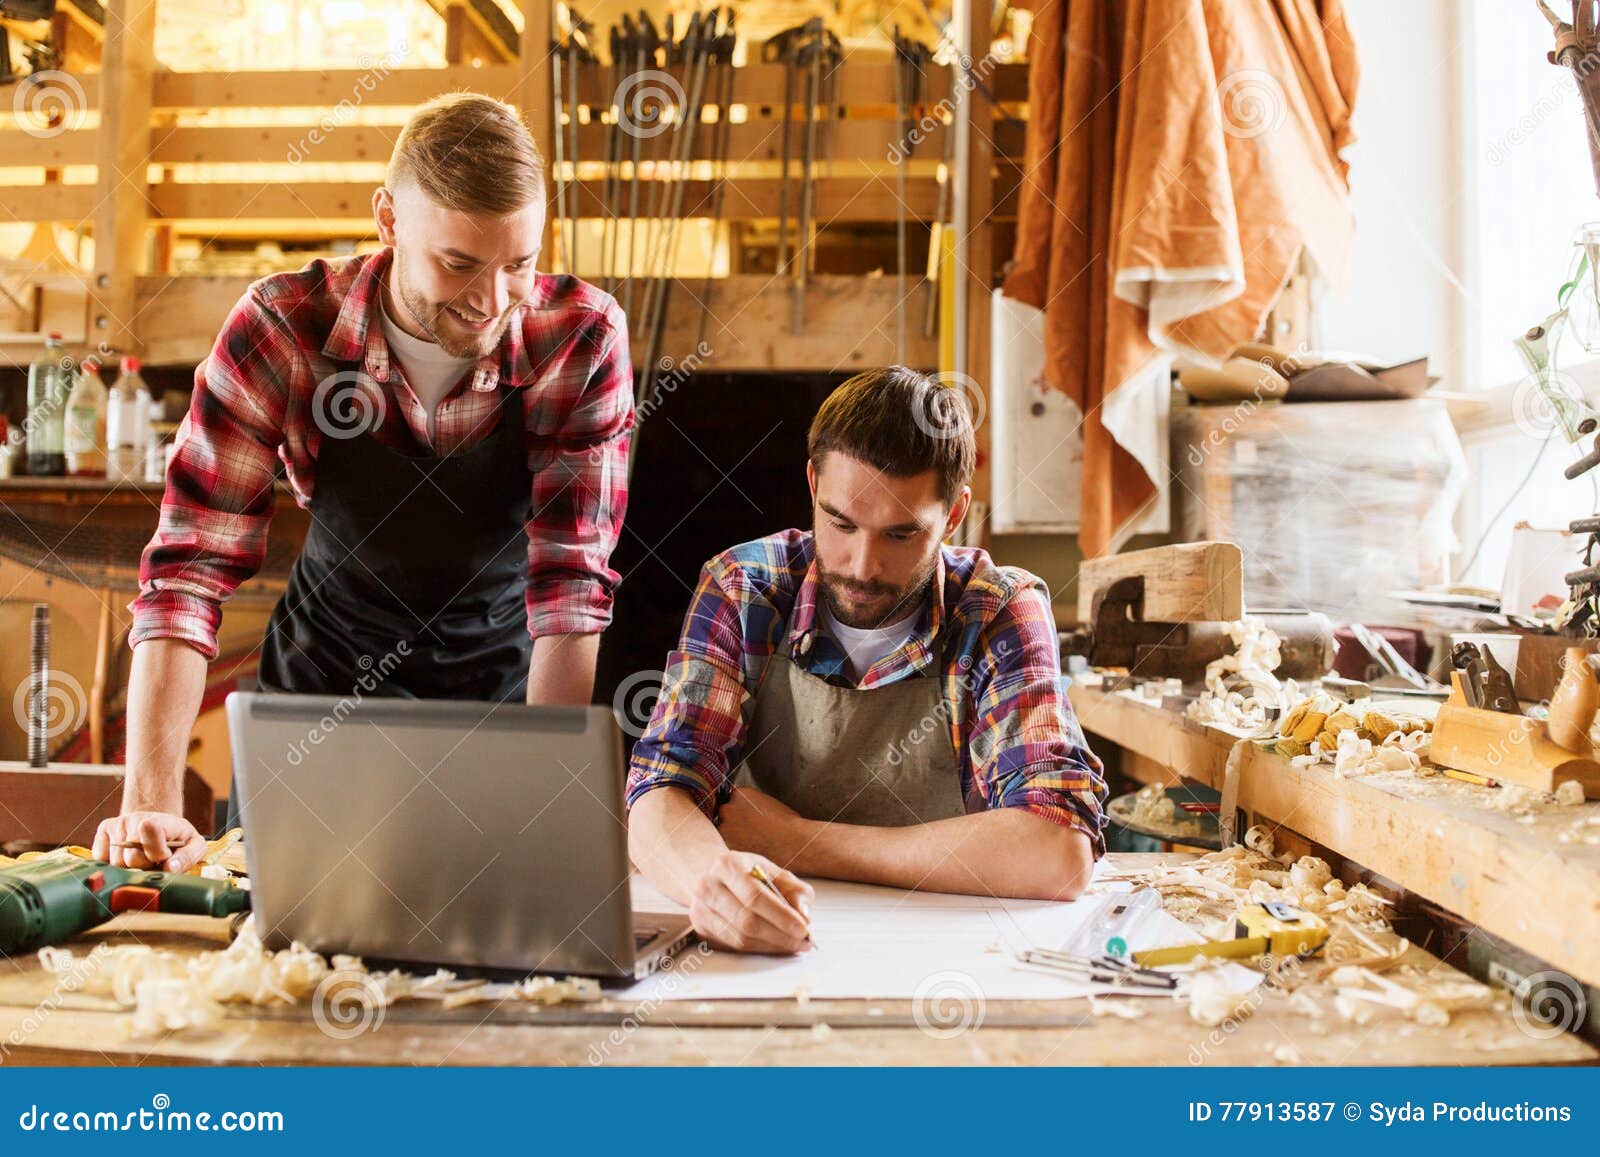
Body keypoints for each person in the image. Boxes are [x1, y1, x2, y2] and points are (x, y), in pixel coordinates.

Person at [94, 93, 632, 872]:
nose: (490, 302)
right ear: (388, 219)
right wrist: (149, 797)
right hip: (319, 693)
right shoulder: (283, 327)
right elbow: (189, 569)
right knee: (280, 951)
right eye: (458, 264)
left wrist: (537, 794)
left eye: (518, 264)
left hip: (500, 692)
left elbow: (571, 585)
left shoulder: (579, 337)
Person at [626, 366, 1107, 954]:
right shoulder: (744, 588)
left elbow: (1057, 853)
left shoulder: (998, 612)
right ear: (812, 484)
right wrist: (710, 883)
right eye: (841, 523)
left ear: (954, 513)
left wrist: (802, 841)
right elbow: (660, 789)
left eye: (900, 535)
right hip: (765, 947)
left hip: (946, 952)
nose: (860, 566)